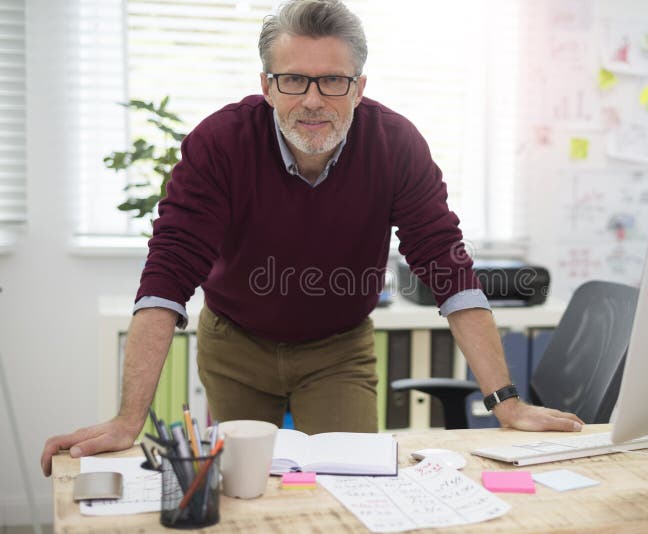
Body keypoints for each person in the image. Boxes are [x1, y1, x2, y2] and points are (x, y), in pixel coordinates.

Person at [41, 0, 582, 476]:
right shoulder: (220, 144)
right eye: (294, 79)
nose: (313, 100)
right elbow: (168, 276)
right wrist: (127, 419)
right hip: (235, 345)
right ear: (267, 85)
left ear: (360, 86)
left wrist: (506, 402)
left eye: (333, 80)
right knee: (247, 489)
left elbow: (448, 271)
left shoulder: (396, 145)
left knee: (349, 485)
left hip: (338, 349)